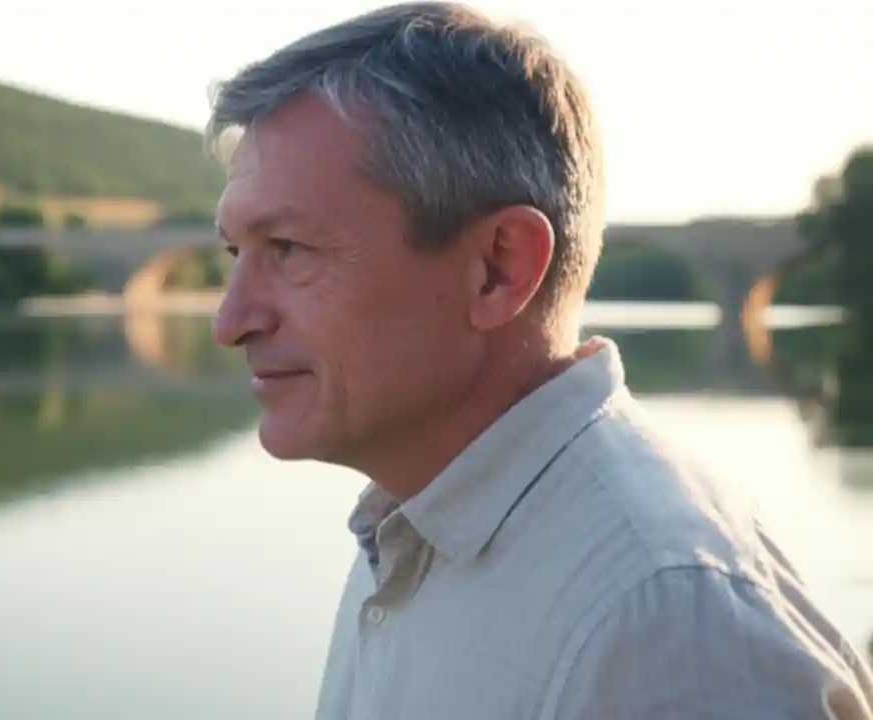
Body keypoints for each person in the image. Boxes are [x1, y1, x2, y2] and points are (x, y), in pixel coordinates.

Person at [207, 3, 873, 718]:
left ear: (498, 270)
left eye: (289, 251)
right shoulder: (416, 522)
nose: (230, 321)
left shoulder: (663, 628)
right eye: (234, 254)